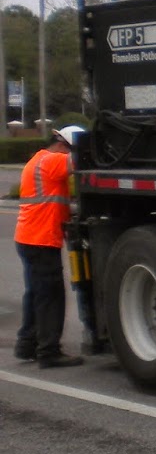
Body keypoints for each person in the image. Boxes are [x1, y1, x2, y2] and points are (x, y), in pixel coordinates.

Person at [13, 125, 88, 368]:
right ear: (64, 145)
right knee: (51, 296)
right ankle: (49, 351)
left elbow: (51, 201)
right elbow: (81, 161)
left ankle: (27, 344)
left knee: (36, 293)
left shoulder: (37, 161)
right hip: (41, 239)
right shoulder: (52, 160)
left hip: (29, 238)